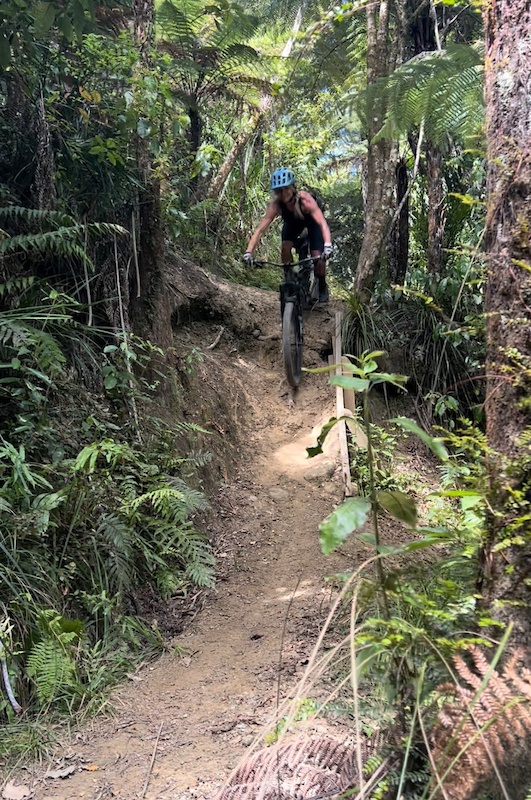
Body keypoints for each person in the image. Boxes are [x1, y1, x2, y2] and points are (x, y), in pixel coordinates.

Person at [243, 168, 332, 303]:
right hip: (292, 224)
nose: (282, 193)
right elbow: (260, 230)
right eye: (278, 190)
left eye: (285, 189)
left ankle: (321, 284)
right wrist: (248, 252)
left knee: (317, 256)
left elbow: (322, 224)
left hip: (312, 224)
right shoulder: (277, 205)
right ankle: (290, 276)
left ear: (292, 187)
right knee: (285, 248)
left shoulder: (305, 200)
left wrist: (328, 245)